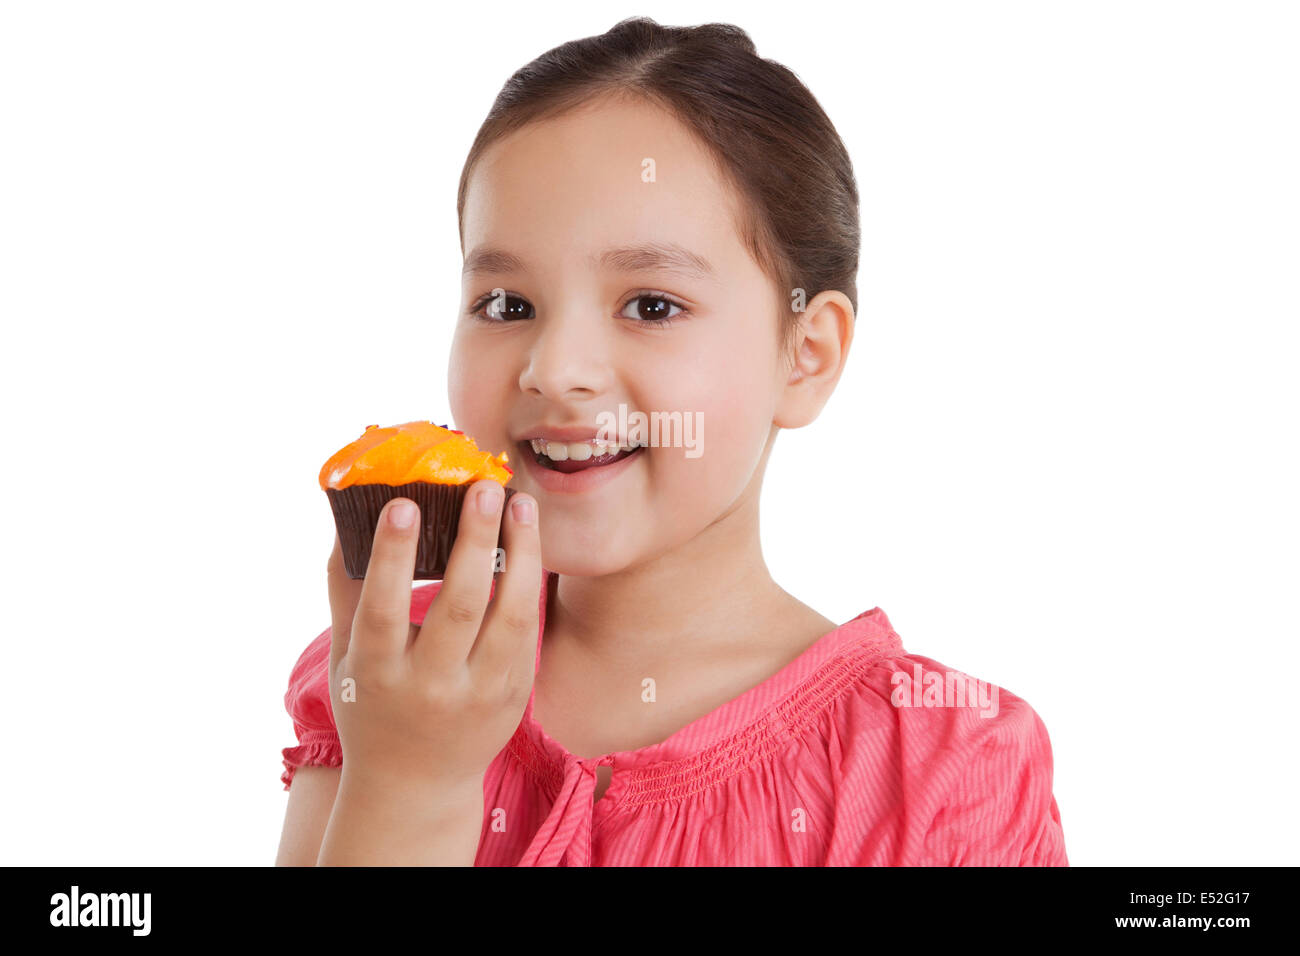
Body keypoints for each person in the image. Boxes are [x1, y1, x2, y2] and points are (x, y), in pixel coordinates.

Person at [275, 16, 1067, 866]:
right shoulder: (394, 676)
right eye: (507, 305)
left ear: (806, 355)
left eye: (651, 305)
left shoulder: (948, 764)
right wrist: (406, 783)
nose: (556, 369)